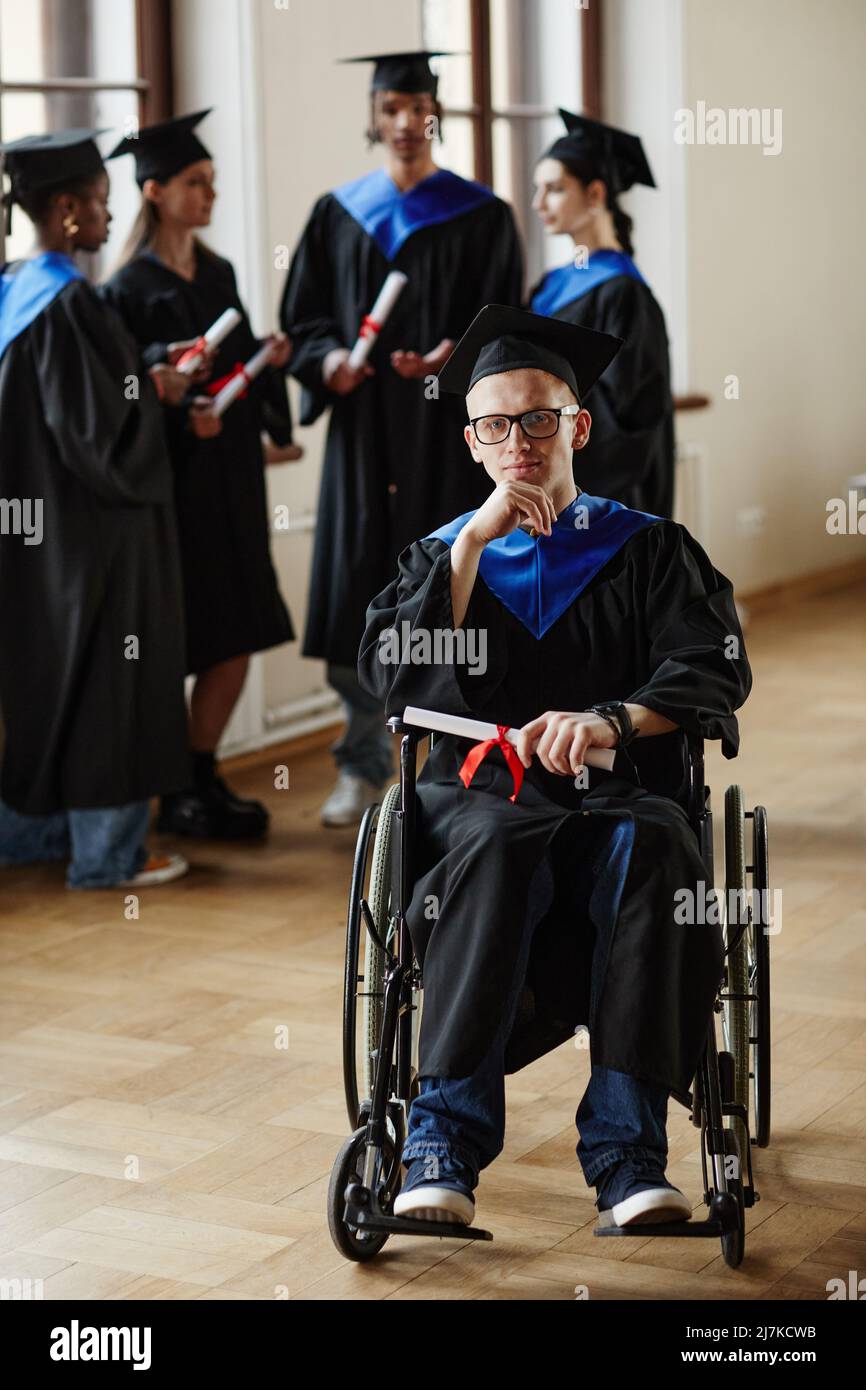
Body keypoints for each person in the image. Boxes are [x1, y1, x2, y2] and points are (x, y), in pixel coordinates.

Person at [357, 305, 752, 1229]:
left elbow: (712, 670)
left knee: (658, 843)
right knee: (493, 843)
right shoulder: (441, 555)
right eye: (496, 424)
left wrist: (612, 721)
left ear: (577, 425)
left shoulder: (649, 547)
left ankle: (629, 1161)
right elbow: (394, 677)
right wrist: (470, 545)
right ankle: (438, 1154)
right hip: (476, 800)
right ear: (472, 441)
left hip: (619, 792)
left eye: (538, 418)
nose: (519, 442)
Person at [280, 51, 524, 827]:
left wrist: (454, 359)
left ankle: (452, 765)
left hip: (443, 441)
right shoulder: (337, 213)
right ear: (375, 116)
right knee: (358, 592)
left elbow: (506, 329)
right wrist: (329, 364)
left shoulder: (482, 215)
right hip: (361, 441)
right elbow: (303, 322)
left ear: (435, 116)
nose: (405, 123)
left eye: (418, 108)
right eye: (391, 108)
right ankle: (360, 764)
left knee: (450, 592)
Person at [0, 128, 191, 888]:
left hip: (31, 537)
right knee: (115, 681)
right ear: (67, 209)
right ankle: (109, 856)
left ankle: (31, 837)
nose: (110, 219)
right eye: (102, 205)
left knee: (47, 678)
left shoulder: (13, 292)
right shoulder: (70, 305)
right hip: (97, 534)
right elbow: (99, 437)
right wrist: (157, 389)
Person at [102, 110, 297, 841]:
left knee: (237, 630)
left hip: (232, 480)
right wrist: (183, 418)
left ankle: (200, 774)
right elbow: (122, 395)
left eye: (212, 181)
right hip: (172, 491)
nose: (209, 194)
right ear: (154, 190)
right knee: (176, 634)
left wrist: (262, 370)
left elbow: (237, 367)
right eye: (194, 182)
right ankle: (167, 787)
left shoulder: (217, 272)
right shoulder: (124, 291)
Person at [530, 109, 675, 518]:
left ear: (595, 195)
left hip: (596, 491)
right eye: (537, 189)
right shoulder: (549, 286)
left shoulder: (624, 293)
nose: (538, 203)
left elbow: (631, 418)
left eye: (554, 189)